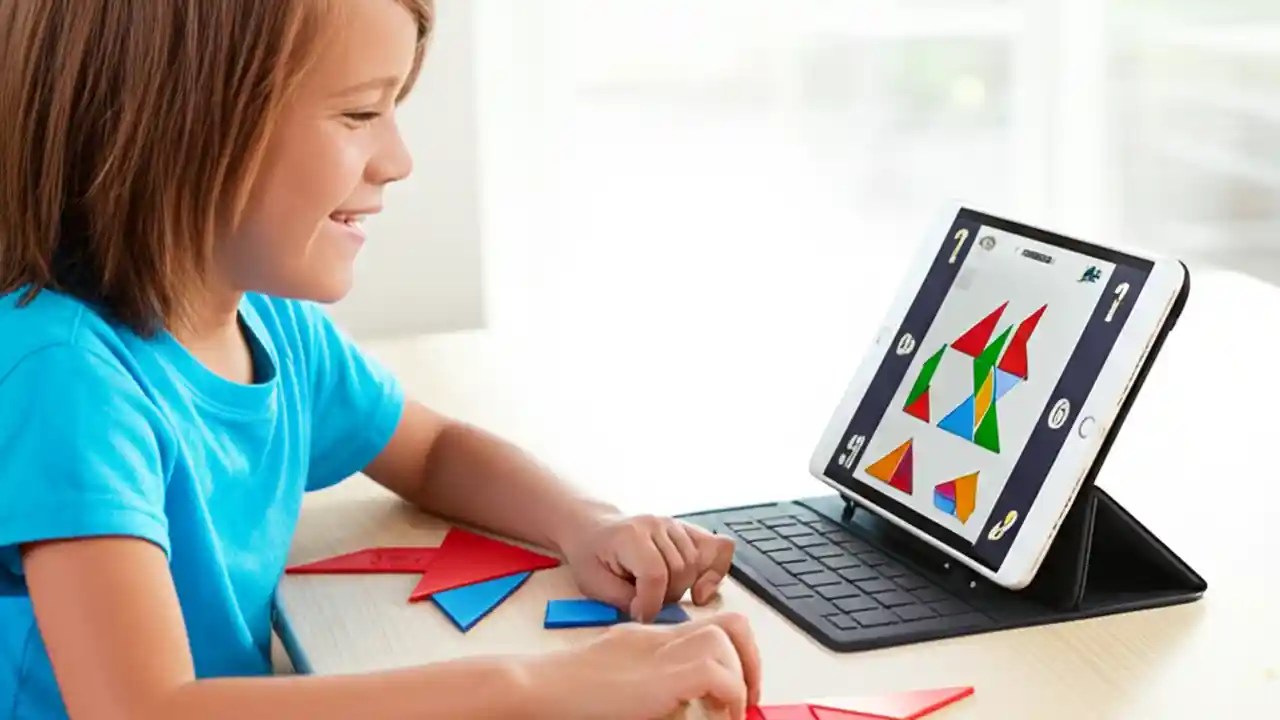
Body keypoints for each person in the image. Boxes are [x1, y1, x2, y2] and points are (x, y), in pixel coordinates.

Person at [0, 1, 761, 718]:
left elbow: (430, 451)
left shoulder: (268, 323)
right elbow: (144, 709)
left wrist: (585, 524)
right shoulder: (66, 377)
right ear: (178, 126)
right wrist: (545, 687)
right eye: (361, 114)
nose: (397, 160)